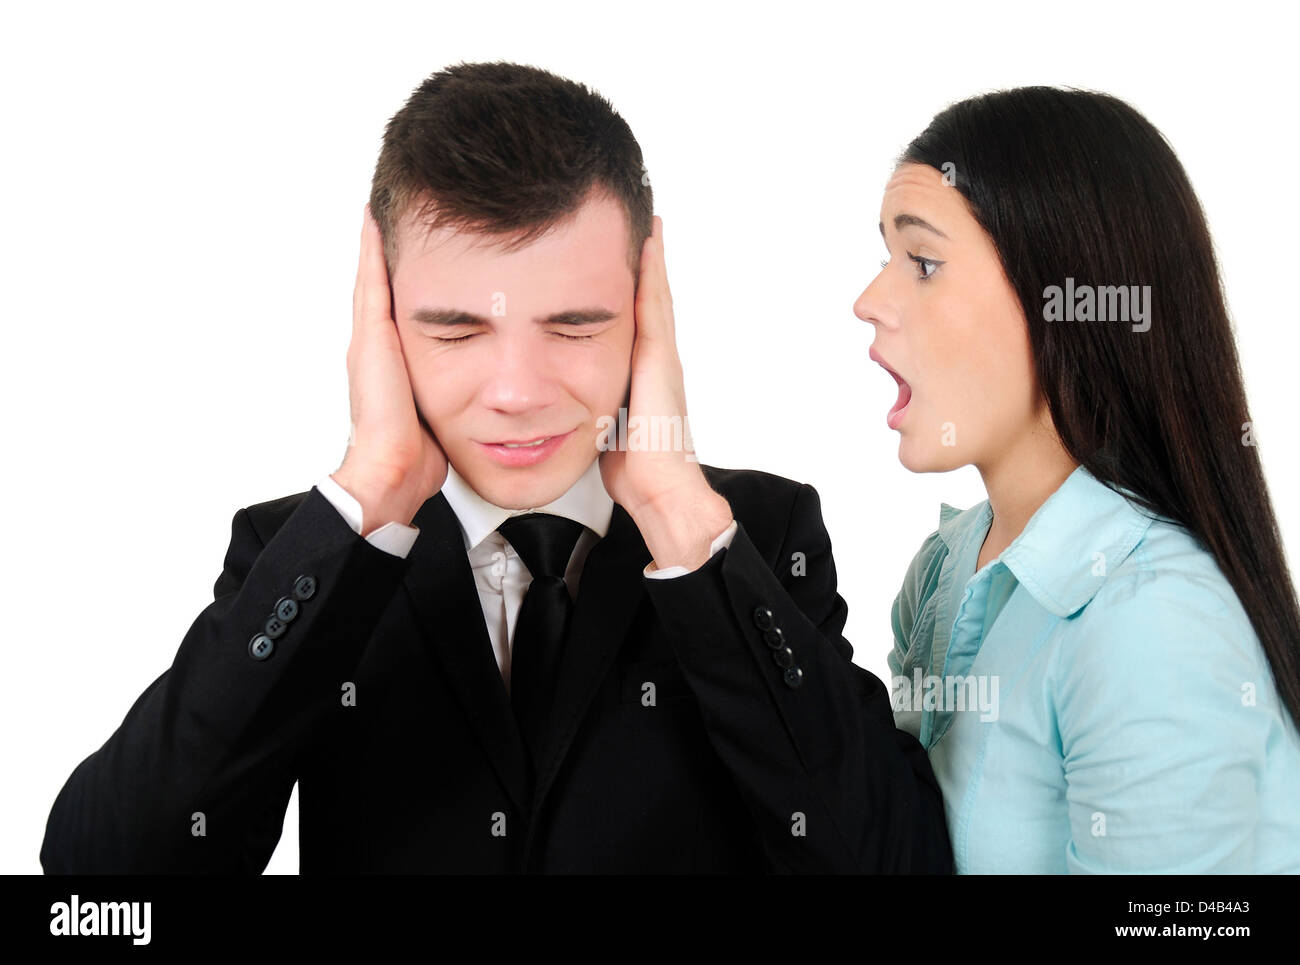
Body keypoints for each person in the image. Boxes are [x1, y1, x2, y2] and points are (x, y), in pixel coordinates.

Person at [41, 61, 952, 873]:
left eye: (575, 326)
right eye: (455, 330)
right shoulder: (302, 551)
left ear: (646, 312)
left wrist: (679, 512)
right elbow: (104, 871)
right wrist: (363, 503)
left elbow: (889, 860)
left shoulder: (756, 537)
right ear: (383, 321)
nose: (516, 392)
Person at [855, 86, 1300, 873]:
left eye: (923, 262)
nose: (869, 301)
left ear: (1063, 297)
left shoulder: (1153, 620)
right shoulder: (946, 570)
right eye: (886, 258)